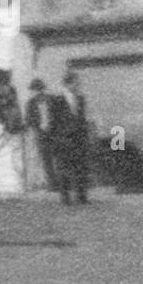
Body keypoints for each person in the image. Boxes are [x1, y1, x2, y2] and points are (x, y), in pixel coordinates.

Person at [55, 71, 90, 205]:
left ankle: (82, 197)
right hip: (63, 140)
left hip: (79, 139)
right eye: (76, 82)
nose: (78, 85)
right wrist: (57, 140)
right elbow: (53, 122)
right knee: (64, 170)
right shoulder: (57, 100)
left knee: (80, 168)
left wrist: (85, 136)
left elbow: (82, 119)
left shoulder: (80, 99)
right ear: (68, 84)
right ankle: (65, 198)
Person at [24, 78, 60, 192]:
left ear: (41, 89)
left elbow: (59, 116)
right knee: (46, 160)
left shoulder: (52, 100)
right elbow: (28, 119)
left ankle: (62, 183)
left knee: (58, 158)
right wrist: (37, 126)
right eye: (34, 90)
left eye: (36, 90)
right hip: (40, 134)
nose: (35, 92)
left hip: (54, 133)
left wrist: (54, 126)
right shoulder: (30, 103)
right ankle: (52, 185)